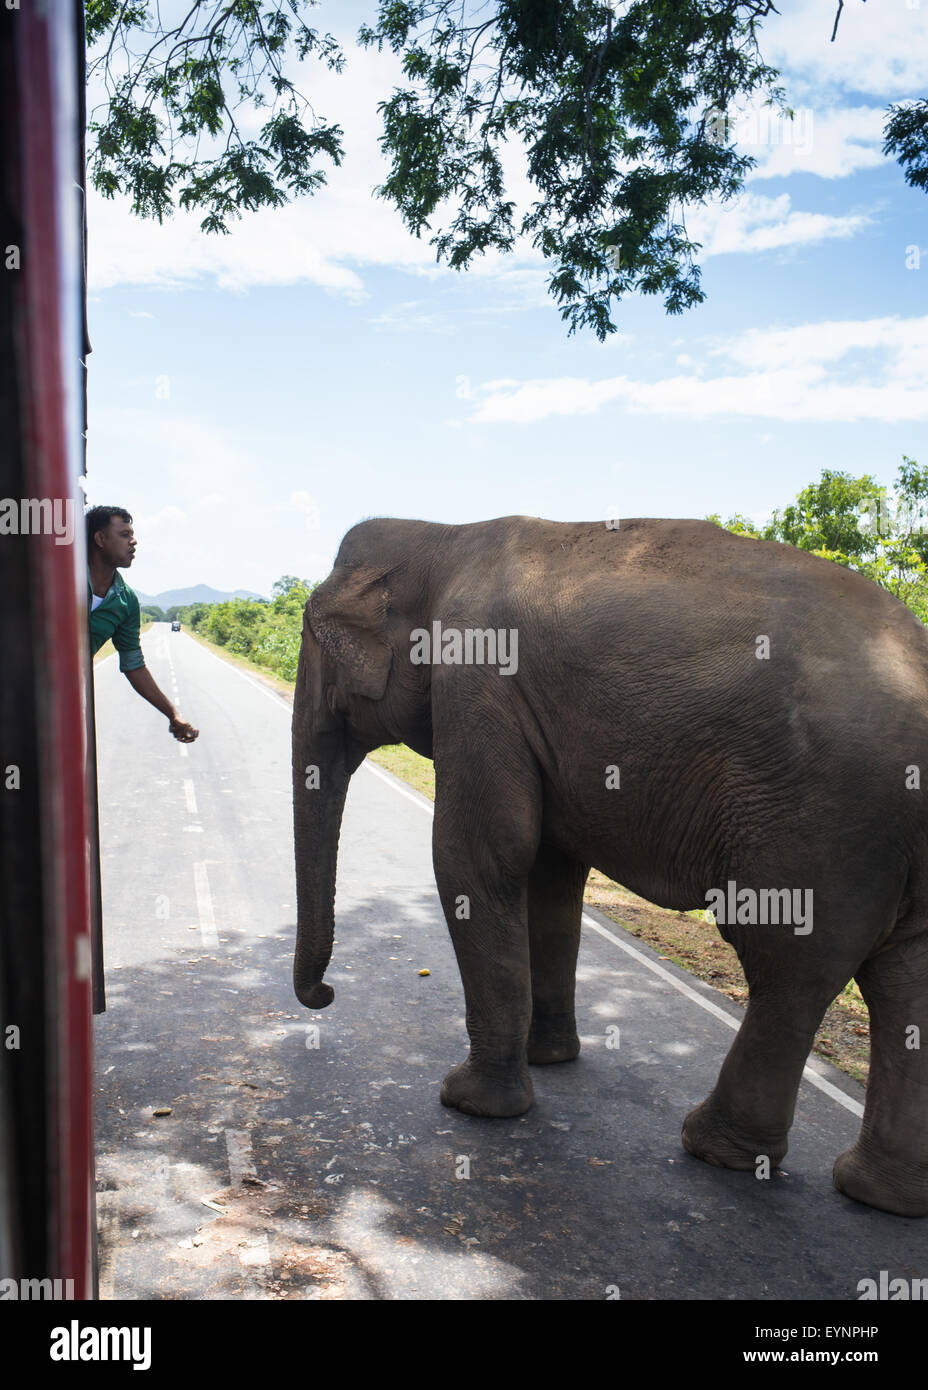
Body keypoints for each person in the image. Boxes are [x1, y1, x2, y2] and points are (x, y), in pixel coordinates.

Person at [86, 505, 198, 744]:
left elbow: (133, 664)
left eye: (132, 535)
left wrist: (173, 715)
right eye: (125, 534)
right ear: (100, 538)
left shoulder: (126, 602)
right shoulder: (59, 575)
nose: (134, 542)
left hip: (65, 696)